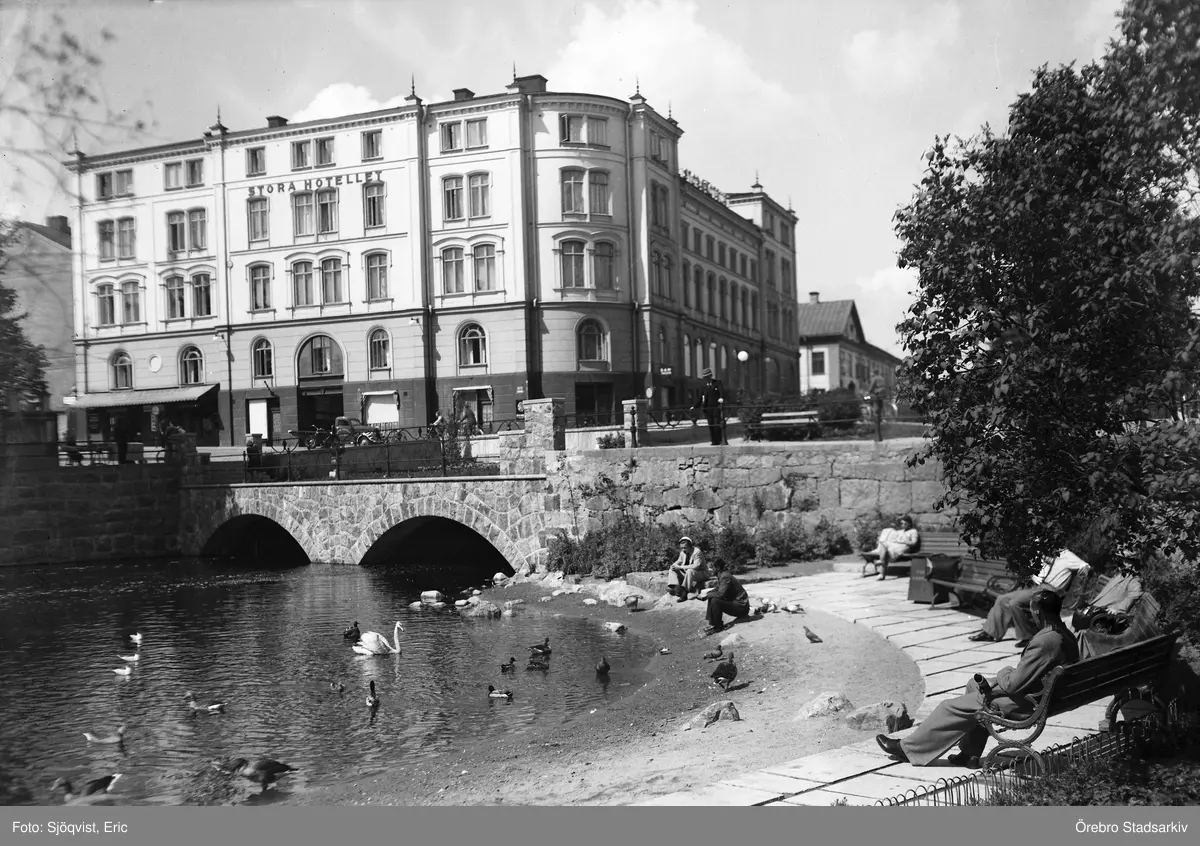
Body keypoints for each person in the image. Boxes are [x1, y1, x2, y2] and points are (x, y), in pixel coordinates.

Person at [876, 590, 1079, 767]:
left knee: (949, 706)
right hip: (1047, 696)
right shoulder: (1065, 635)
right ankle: (970, 753)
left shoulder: (1045, 641)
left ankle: (907, 748)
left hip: (1027, 704)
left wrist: (1003, 672)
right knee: (974, 684)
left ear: (1037, 612)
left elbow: (1012, 685)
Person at [967, 547, 1091, 647]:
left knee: (1014, 603)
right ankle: (990, 632)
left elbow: (1085, 566)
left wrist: (1084, 570)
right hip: (1038, 587)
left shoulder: (1067, 556)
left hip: (1050, 591)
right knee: (1002, 599)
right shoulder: (1049, 555)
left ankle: (1027, 636)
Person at [1075, 562, 1145, 660]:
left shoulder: (1134, 579)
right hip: (1095, 611)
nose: (1122, 563)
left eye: (1126, 560)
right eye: (1122, 559)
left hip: (1102, 618)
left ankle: (1073, 657)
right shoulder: (1121, 575)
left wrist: (1118, 609)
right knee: (1071, 622)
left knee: (1076, 629)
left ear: (1133, 564)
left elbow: (1136, 594)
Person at [704, 558, 750, 636]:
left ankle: (718, 626)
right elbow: (717, 589)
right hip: (738, 605)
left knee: (715, 600)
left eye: (711, 567)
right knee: (711, 596)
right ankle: (713, 624)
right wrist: (707, 594)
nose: (709, 569)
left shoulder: (725, 576)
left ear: (717, 568)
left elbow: (721, 594)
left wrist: (708, 595)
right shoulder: (722, 575)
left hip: (742, 607)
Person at [864, 515, 919, 581]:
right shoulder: (900, 531)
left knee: (885, 551)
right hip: (894, 546)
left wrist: (903, 541)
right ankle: (882, 567)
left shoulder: (913, 531)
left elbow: (913, 543)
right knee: (885, 538)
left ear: (909, 523)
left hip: (904, 547)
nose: (903, 525)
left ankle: (882, 567)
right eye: (902, 523)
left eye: (905, 523)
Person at [666, 536, 710, 603]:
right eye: (682, 548)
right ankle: (675, 587)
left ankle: (684, 593)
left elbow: (695, 566)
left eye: (685, 548)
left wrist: (680, 567)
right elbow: (678, 561)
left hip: (701, 574)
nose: (683, 549)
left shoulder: (697, 552)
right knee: (672, 569)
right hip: (688, 575)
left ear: (690, 546)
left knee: (689, 571)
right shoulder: (682, 553)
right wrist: (673, 566)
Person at [693, 369, 724, 446]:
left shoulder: (717, 383)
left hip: (716, 407)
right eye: (705, 377)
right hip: (708, 408)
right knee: (711, 425)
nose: (706, 378)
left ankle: (719, 440)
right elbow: (700, 397)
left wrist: (721, 398)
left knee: (717, 423)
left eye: (707, 377)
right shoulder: (703, 386)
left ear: (710, 376)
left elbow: (721, 392)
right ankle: (713, 441)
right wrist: (694, 406)